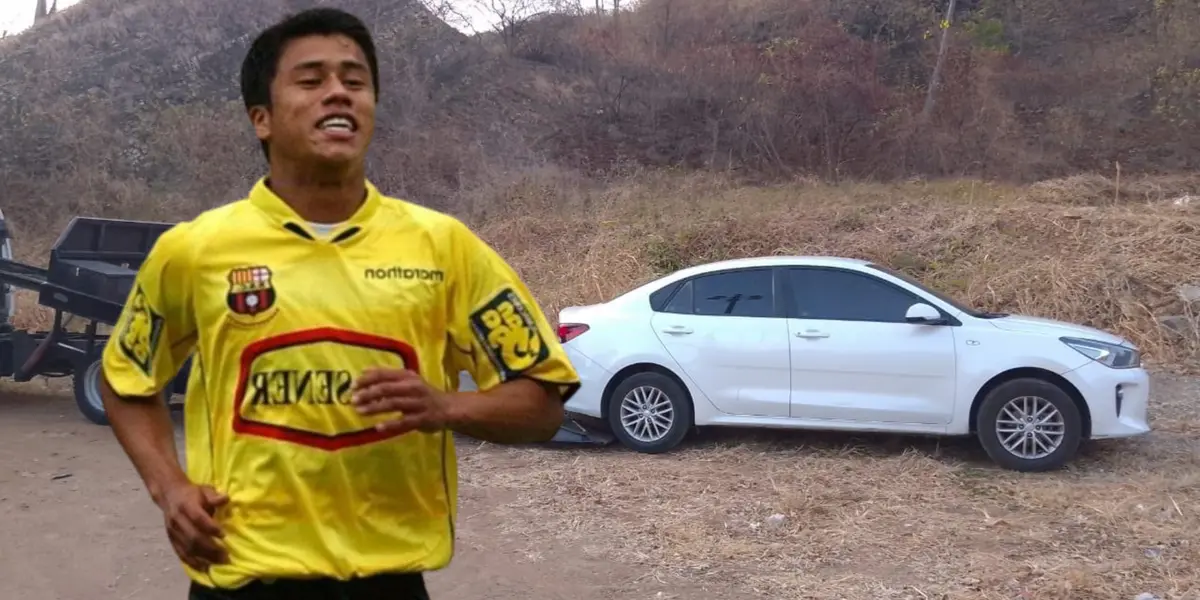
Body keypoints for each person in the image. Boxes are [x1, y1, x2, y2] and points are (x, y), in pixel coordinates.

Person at [99, 7, 581, 600]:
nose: (339, 94)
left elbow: (542, 404)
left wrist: (448, 405)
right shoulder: (194, 250)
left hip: (388, 582)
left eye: (355, 81)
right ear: (262, 118)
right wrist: (169, 487)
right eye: (311, 80)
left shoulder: (444, 247)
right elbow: (125, 381)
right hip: (239, 579)